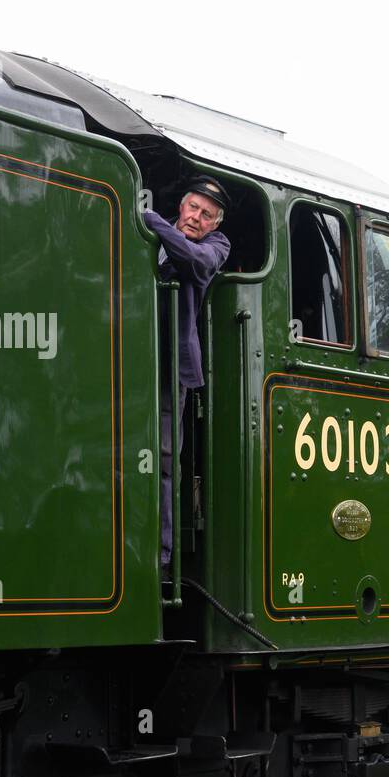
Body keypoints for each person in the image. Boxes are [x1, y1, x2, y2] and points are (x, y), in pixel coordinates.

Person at [142, 177, 231, 576]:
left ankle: (162, 557)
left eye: (206, 214)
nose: (197, 217)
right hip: (132, 353)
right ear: (182, 206)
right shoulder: (148, 235)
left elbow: (195, 262)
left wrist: (151, 222)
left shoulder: (215, 246)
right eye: (193, 208)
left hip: (171, 365)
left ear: (214, 224)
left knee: (163, 457)